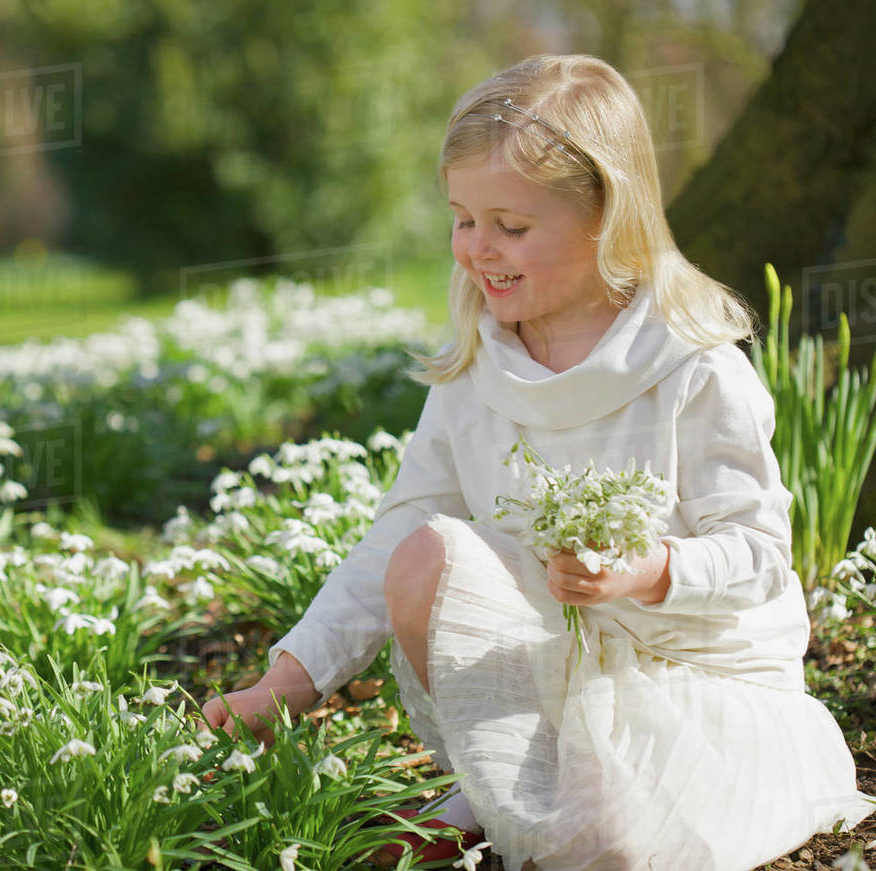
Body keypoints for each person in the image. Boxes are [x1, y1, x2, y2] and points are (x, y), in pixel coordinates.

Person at [199, 53, 876, 870]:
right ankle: (507, 788)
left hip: (689, 677)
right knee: (425, 556)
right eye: (461, 219)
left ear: (606, 218)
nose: (477, 250)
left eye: (511, 226)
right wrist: (289, 682)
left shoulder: (691, 366)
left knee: (624, 842)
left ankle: (518, 808)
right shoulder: (476, 368)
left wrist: (647, 567)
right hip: (555, 670)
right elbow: (393, 542)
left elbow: (761, 557)